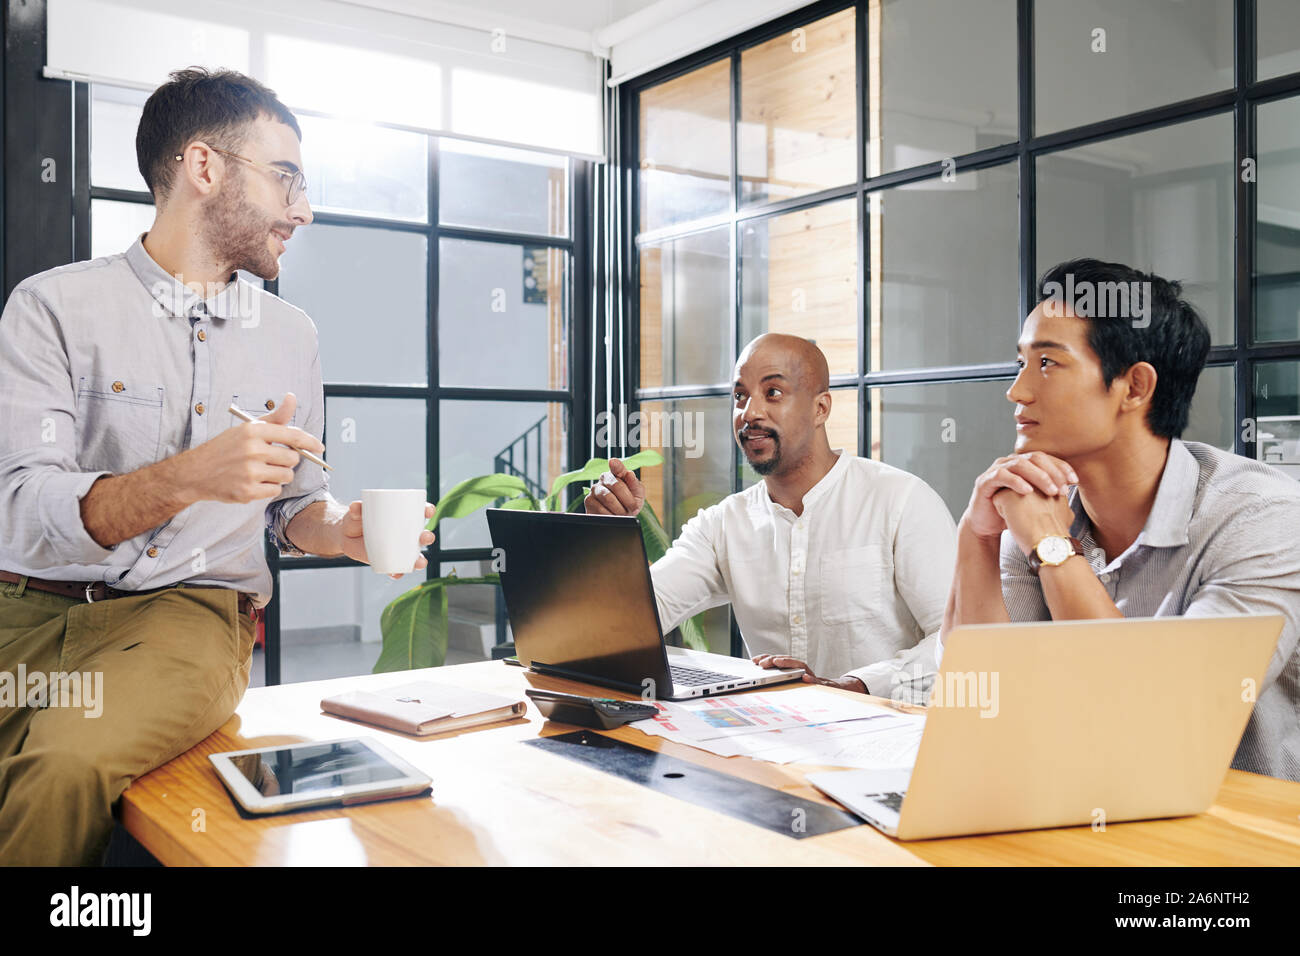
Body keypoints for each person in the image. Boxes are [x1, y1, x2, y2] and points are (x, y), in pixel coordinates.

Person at [0, 67, 434, 864]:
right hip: (21, 610)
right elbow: (24, 508)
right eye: (286, 179)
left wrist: (342, 529)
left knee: (60, 765)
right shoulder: (51, 307)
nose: (303, 209)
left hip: (187, 618)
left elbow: (291, 504)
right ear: (204, 169)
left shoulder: (291, 334)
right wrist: (194, 475)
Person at [942, 258, 1300, 782]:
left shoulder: (1260, 516)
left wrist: (1052, 548)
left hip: (1240, 834)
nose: (1016, 391)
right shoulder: (1039, 506)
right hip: (1075, 803)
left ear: (1134, 387)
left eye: (1047, 364)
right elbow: (980, 699)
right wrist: (977, 534)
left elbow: (1155, 720)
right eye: (1021, 363)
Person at [586, 332, 957, 698]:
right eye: (739, 396)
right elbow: (636, 619)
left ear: (820, 409)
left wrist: (855, 685)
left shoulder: (901, 500)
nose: (750, 413)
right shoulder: (723, 524)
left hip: (891, 744)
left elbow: (958, 640)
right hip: (773, 742)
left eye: (773, 393)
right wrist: (610, 538)